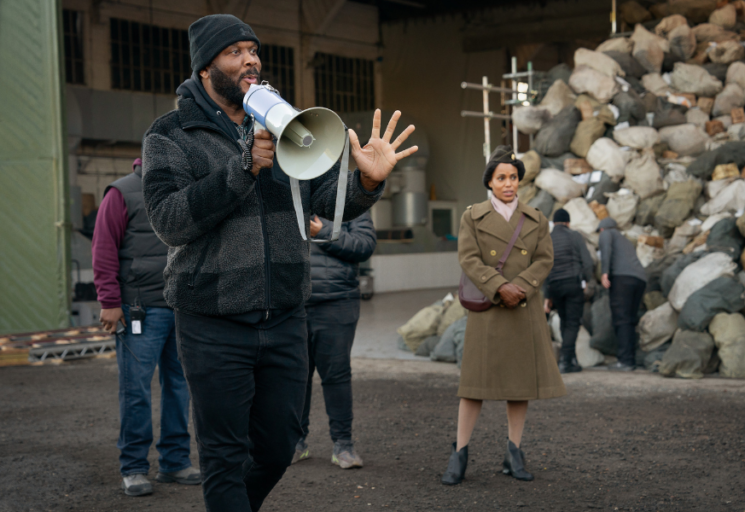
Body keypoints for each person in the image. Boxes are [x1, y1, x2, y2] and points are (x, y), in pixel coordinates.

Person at [141, 14, 416, 511]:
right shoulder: (171, 134)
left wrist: (368, 182)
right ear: (206, 68)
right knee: (225, 455)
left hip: (285, 313)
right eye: (234, 52)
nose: (250, 60)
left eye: (253, 49)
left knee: (278, 445)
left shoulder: (286, 123)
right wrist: (241, 168)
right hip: (213, 320)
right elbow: (169, 221)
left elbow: (329, 199)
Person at [442, 145, 565, 486]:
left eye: (513, 177)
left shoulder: (537, 218)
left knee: (519, 386)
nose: (509, 183)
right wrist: (499, 286)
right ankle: (460, 453)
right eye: (501, 178)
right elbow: (468, 258)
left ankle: (514, 452)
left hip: (522, 310)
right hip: (488, 308)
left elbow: (544, 259)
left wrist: (521, 287)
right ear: (490, 182)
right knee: (473, 386)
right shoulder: (473, 216)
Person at [92, 158, 200, 497]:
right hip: (139, 310)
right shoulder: (120, 193)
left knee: (180, 388)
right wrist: (109, 302)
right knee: (135, 390)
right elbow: (103, 249)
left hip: (181, 307)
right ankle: (134, 467)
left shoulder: (186, 190)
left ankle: (174, 461)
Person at [292, 212, 376, 468]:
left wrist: (324, 233)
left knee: (337, 376)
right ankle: (295, 442)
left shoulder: (350, 198)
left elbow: (365, 245)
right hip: (293, 303)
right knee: (295, 377)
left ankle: (343, 445)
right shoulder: (288, 192)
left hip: (338, 301)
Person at [543, 208, 594, 374]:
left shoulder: (547, 239)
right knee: (572, 323)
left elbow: (543, 269)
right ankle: (565, 362)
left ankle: (571, 360)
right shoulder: (575, 236)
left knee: (565, 321)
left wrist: (547, 296)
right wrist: (586, 279)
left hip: (555, 287)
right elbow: (587, 262)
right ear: (568, 222)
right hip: (572, 284)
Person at [597, 217, 647, 371]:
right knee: (630, 320)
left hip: (622, 279)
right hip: (639, 280)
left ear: (602, 228)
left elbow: (606, 250)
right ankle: (629, 359)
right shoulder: (625, 240)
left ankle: (625, 361)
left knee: (621, 320)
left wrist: (604, 272)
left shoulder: (607, 234)